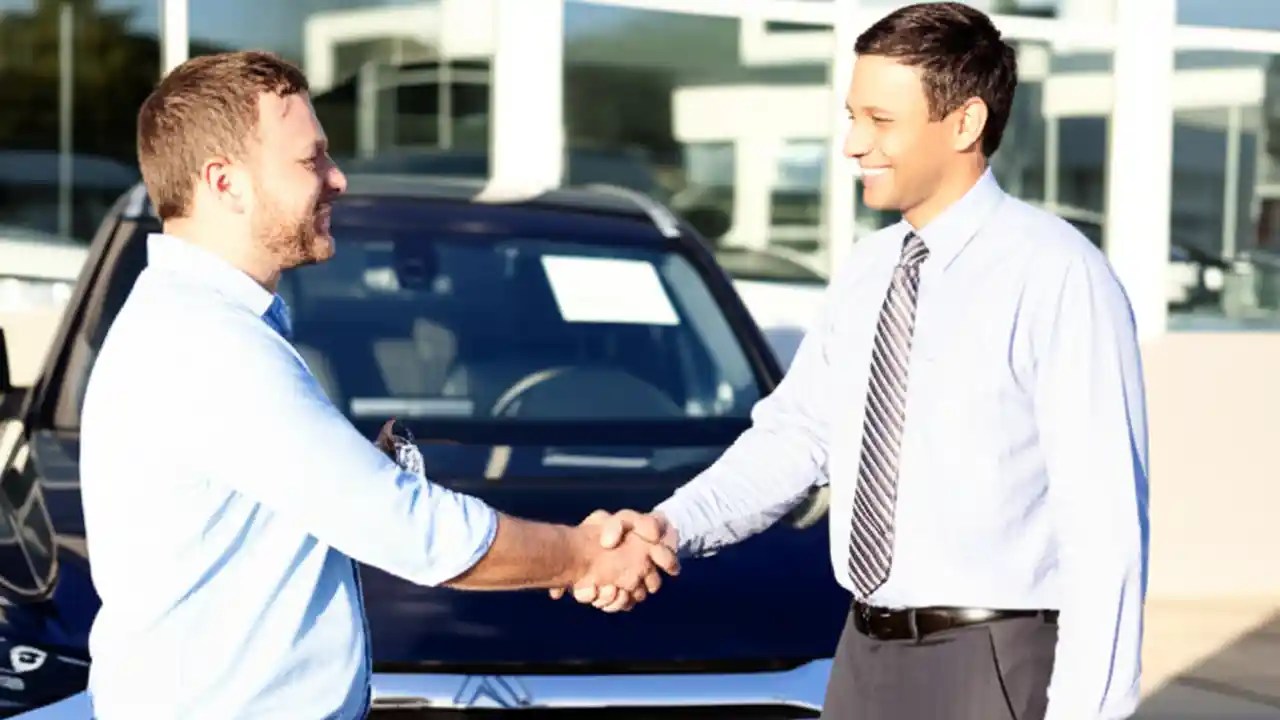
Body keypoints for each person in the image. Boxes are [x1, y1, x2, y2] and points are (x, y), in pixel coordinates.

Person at [557, 3, 1150, 719]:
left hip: (991, 664)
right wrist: (668, 527)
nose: (853, 144)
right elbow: (797, 439)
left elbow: (1104, 527)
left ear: (964, 123)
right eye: (851, 116)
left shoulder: (1057, 276)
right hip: (863, 654)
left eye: (880, 119)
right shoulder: (871, 270)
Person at [77, 50, 677, 719]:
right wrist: (580, 557)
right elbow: (414, 533)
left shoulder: (197, 323)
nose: (337, 179)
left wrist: (358, 464)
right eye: (311, 160)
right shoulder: (209, 344)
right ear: (225, 183)